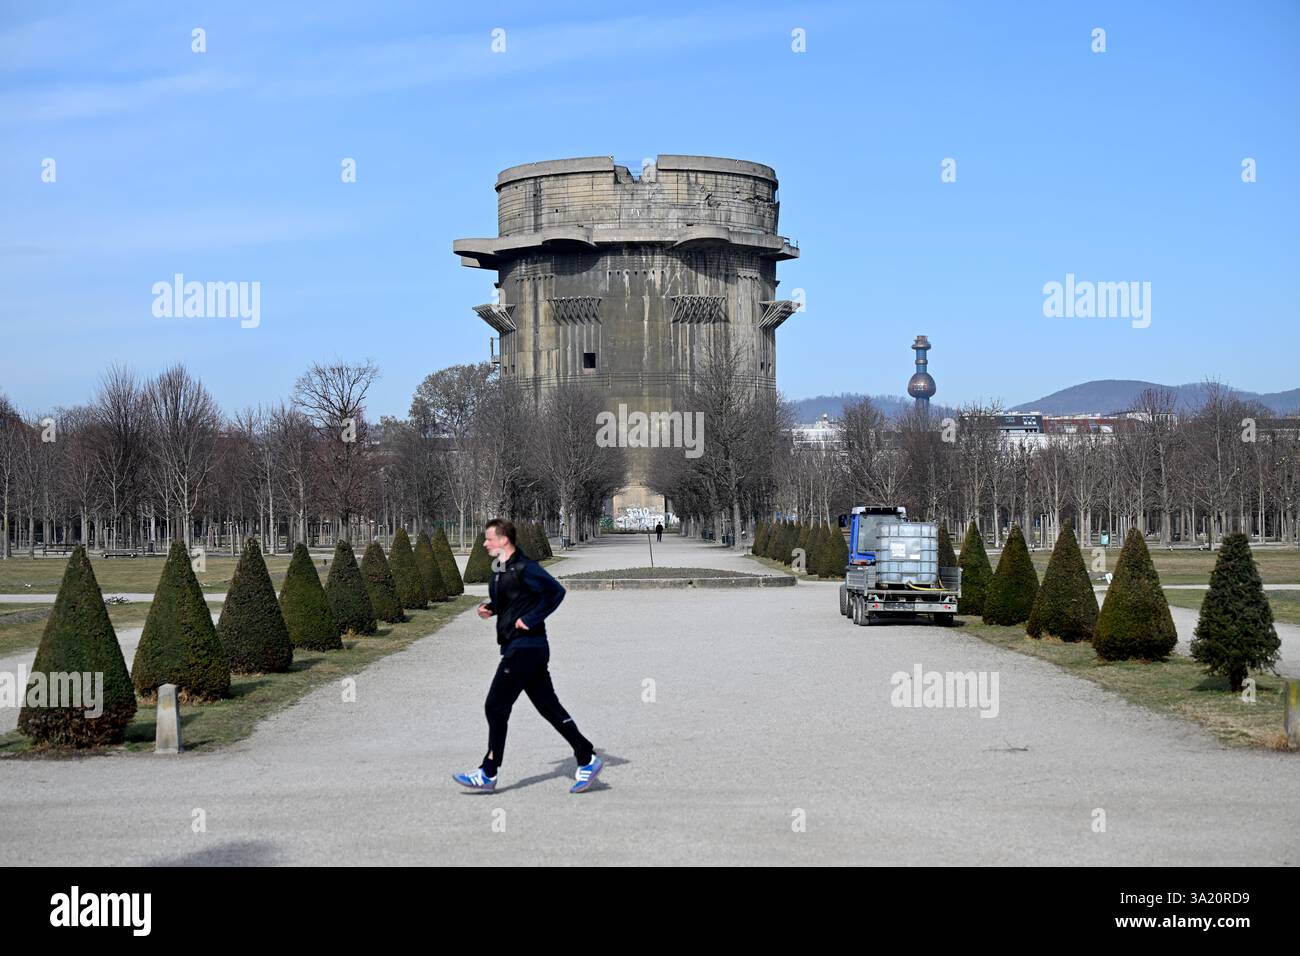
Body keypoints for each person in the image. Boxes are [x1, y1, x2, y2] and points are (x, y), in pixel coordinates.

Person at [453, 518, 602, 794]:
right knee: (549, 708)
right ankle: (586, 757)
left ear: (504, 540)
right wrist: (491, 608)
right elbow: (510, 601)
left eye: (488, 539)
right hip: (520, 648)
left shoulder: (526, 567)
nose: (484, 543)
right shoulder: (500, 569)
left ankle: (488, 771)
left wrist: (531, 619)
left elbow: (555, 592)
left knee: (495, 706)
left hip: (525, 648)